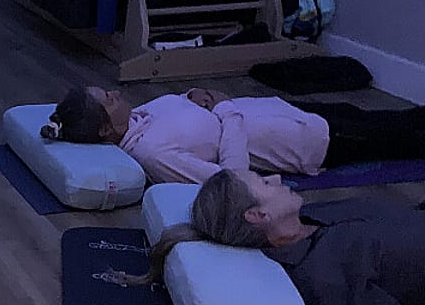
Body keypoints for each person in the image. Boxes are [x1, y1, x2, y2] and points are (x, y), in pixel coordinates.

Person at [121, 168, 425, 305]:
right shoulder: (322, 275)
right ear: (258, 214)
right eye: (265, 182)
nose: (277, 178)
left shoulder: (315, 215)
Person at [39, 85, 425, 184]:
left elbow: (184, 104)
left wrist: (195, 95)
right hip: (308, 143)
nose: (117, 93)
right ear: (107, 129)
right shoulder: (154, 155)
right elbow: (234, 179)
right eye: (108, 99)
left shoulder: (140, 117)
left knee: (398, 118)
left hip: (287, 111)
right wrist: (223, 108)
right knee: (404, 135)